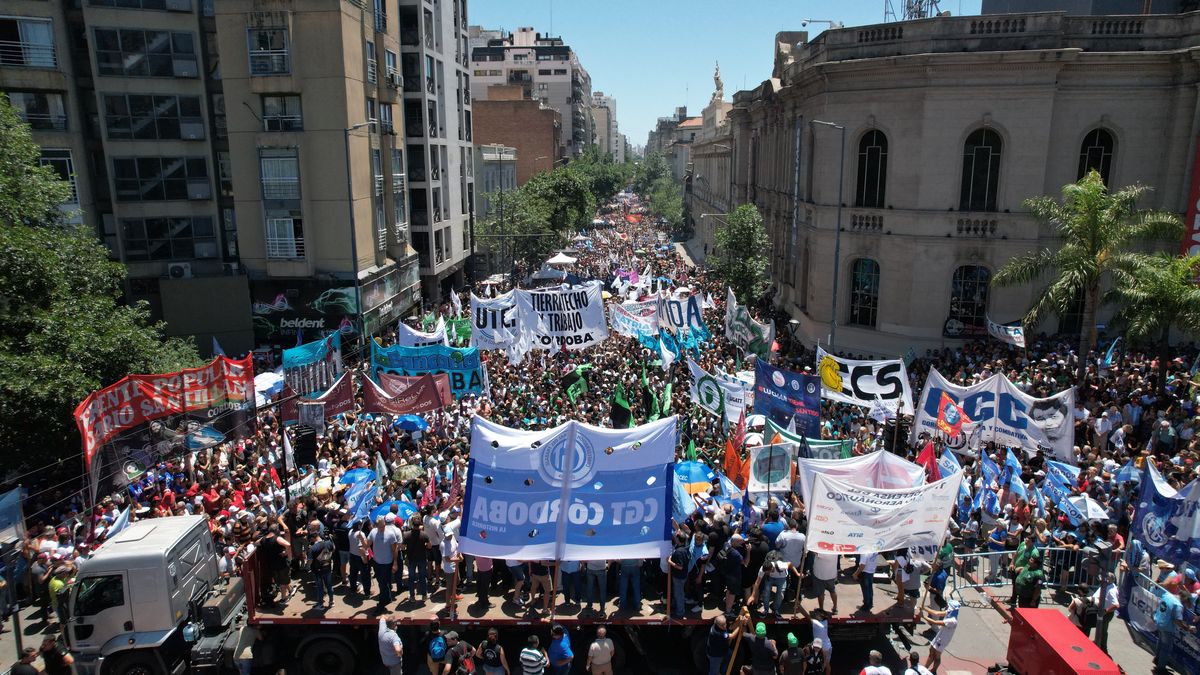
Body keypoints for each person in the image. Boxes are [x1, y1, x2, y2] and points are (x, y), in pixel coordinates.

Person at [370, 514, 401, 608]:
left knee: (383, 583)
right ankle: (387, 598)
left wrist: (395, 563)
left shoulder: (390, 534)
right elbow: (368, 544)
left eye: (383, 526)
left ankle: (382, 602)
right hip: (376, 562)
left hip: (387, 563)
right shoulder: (373, 532)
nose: (382, 528)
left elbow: (395, 549)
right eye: (380, 526)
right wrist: (361, 540)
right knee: (381, 581)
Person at [923, 601, 960, 673]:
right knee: (931, 651)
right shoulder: (949, 613)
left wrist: (923, 616)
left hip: (942, 640)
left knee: (936, 656)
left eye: (948, 606)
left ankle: (932, 670)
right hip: (939, 636)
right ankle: (926, 668)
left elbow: (935, 622)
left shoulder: (952, 621)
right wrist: (925, 608)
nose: (946, 607)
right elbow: (936, 613)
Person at [308, 520, 336, 609]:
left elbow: (309, 562)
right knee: (329, 585)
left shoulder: (313, 548)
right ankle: (331, 602)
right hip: (327, 567)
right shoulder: (328, 543)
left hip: (317, 571)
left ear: (312, 538)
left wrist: (309, 565)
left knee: (320, 587)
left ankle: (320, 604)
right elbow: (333, 549)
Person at [1091, 572, 1120, 653]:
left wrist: (1106, 611)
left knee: (1103, 631)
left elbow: (1116, 605)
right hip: (1101, 610)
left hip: (1106, 613)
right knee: (1099, 629)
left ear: (1108, 580)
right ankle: (1097, 642)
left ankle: (1103, 649)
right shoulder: (1107, 585)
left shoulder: (1111, 591)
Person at [404, 520, 430, 602]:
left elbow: (402, 547)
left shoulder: (406, 535)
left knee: (411, 578)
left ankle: (412, 596)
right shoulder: (424, 534)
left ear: (412, 524)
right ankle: (424, 595)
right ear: (420, 525)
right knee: (422, 577)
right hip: (422, 558)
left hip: (411, 559)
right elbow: (429, 546)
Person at [440, 525, 462, 618]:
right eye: (448, 535)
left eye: (450, 535)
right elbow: (446, 559)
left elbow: (457, 548)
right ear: (444, 534)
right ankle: (447, 605)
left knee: (457, 581)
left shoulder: (452, 538)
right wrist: (457, 560)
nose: (449, 536)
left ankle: (454, 595)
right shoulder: (443, 544)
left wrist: (460, 555)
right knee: (449, 587)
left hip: (455, 566)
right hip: (449, 569)